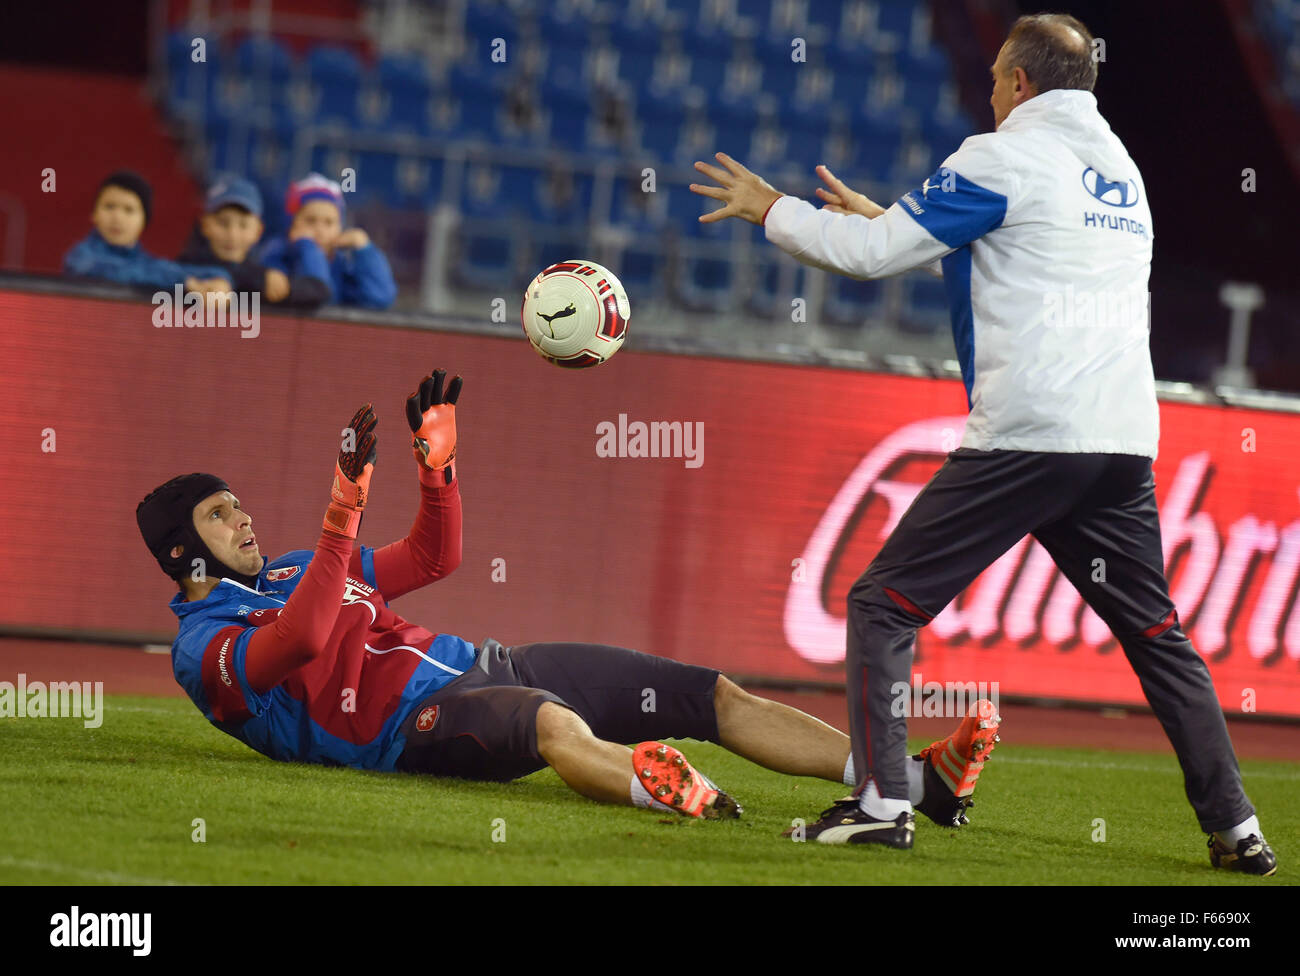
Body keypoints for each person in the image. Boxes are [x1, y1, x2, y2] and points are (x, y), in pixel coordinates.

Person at [688, 12, 1275, 874]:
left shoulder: (998, 156)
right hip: (1119, 443)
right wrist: (899, 221)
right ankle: (1237, 830)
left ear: (1022, 84)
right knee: (1158, 636)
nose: (993, 92)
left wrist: (770, 209)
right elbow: (1026, 262)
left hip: (1029, 436)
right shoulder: (1120, 170)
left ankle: (884, 805)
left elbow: (869, 258)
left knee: (882, 604)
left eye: (1000, 78)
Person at [136, 366, 989, 823]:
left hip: (487, 663)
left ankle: (907, 783)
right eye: (221, 514)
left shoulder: (296, 565)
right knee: (548, 724)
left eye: (239, 503)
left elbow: (434, 557)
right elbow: (301, 643)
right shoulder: (198, 644)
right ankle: (654, 785)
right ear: (184, 553)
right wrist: (342, 509)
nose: (243, 519)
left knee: (706, 692)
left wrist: (437, 473)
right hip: (407, 731)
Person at [64, 169, 231, 297]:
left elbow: (199, 272)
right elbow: (114, 272)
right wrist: (184, 283)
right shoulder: (81, 256)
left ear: (144, 220)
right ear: (94, 214)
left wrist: (220, 282)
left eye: (129, 210)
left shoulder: (147, 263)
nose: (117, 217)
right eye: (109, 206)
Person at [177, 175, 330, 308]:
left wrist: (286, 288)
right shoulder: (183, 268)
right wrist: (258, 280)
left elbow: (319, 291)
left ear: (258, 231)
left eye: (243, 225)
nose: (232, 235)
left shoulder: (267, 273)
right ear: (205, 225)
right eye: (223, 223)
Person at [257, 173, 397, 310]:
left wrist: (365, 251)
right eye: (310, 221)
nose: (320, 230)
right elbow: (316, 295)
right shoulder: (277, 257)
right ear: (292, 225)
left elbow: (380, 298)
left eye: (329, 223)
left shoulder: (341, 265)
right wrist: (308, 246)